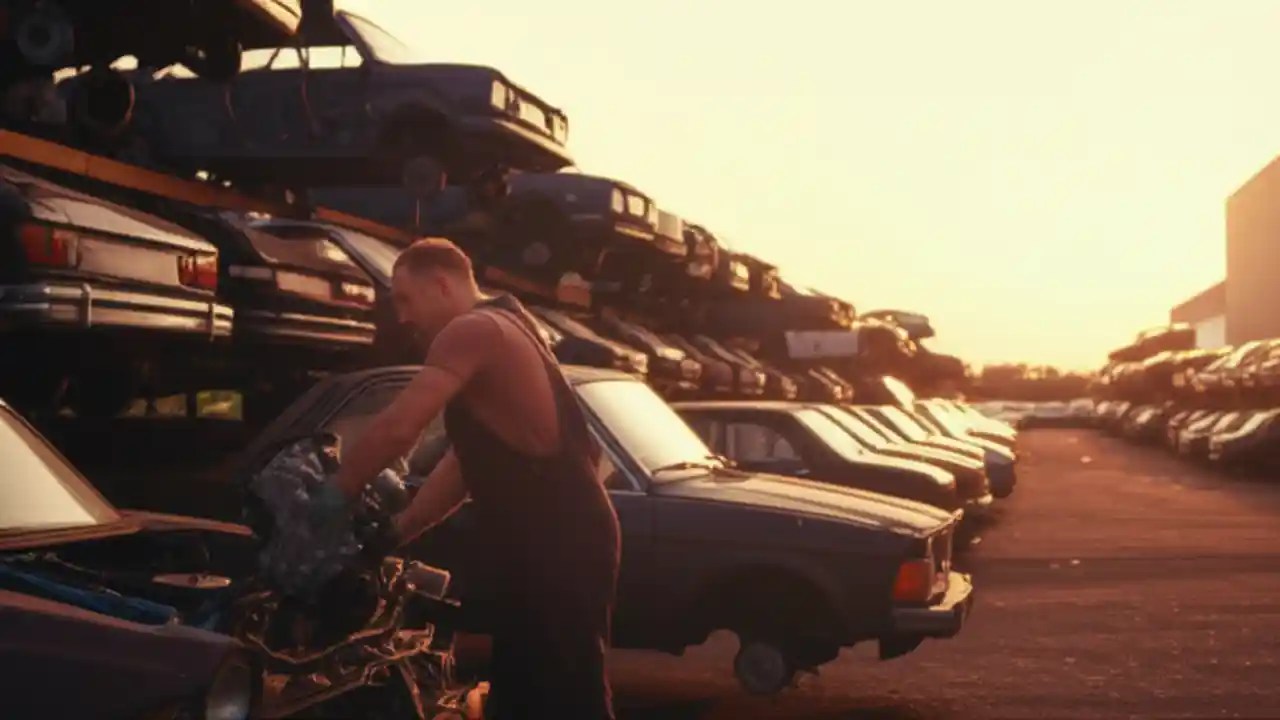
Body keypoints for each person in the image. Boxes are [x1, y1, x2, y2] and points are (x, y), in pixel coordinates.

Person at [331, 237, 621, 719]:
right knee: (521, 699)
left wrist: (334, 493)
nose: (402, 317)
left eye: (405, 299)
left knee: (567, 700)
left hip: (561, 546)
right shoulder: (510, 324)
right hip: (553, 545)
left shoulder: (472, 330)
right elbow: (463, 467)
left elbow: (401, 426)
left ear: (442, 285)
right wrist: (395, 533)